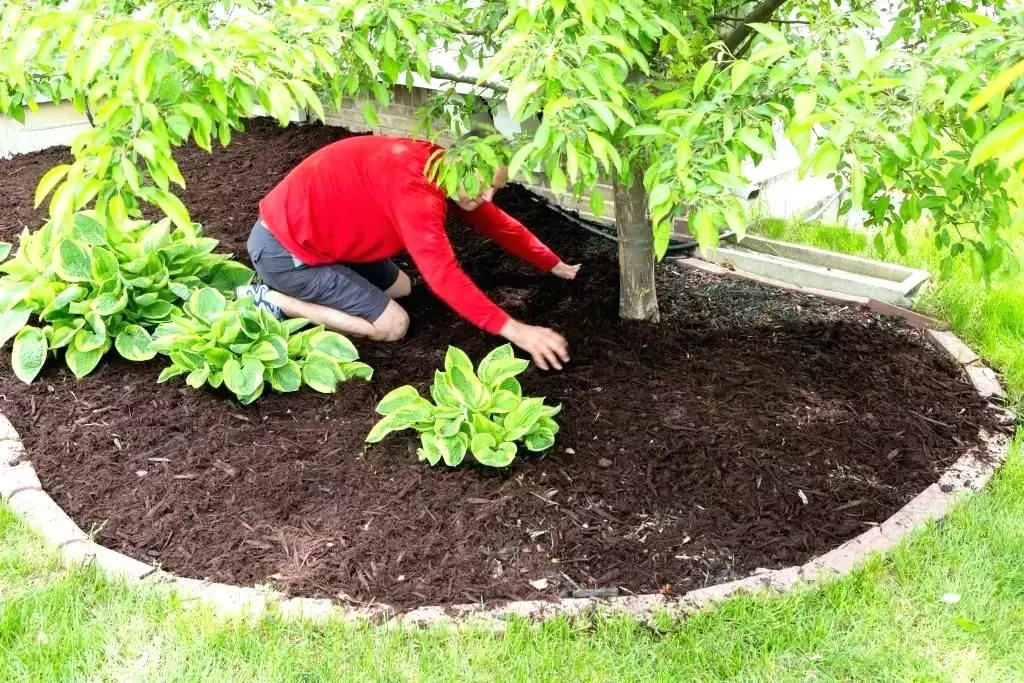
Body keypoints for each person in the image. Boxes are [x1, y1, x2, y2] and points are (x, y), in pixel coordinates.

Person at [238, 132, 581, 370]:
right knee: (392, 324)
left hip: (321, 237)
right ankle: (273, 300)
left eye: (496, 188)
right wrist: (516, 330)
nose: (488, 197)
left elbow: (495, 223)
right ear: (462, 162)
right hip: (285, 252)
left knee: (402, 288)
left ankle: (323, 280)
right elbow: (442, 274)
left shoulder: (444, 165)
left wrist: (553, 264)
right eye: (485, 185)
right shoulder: (417, 192)